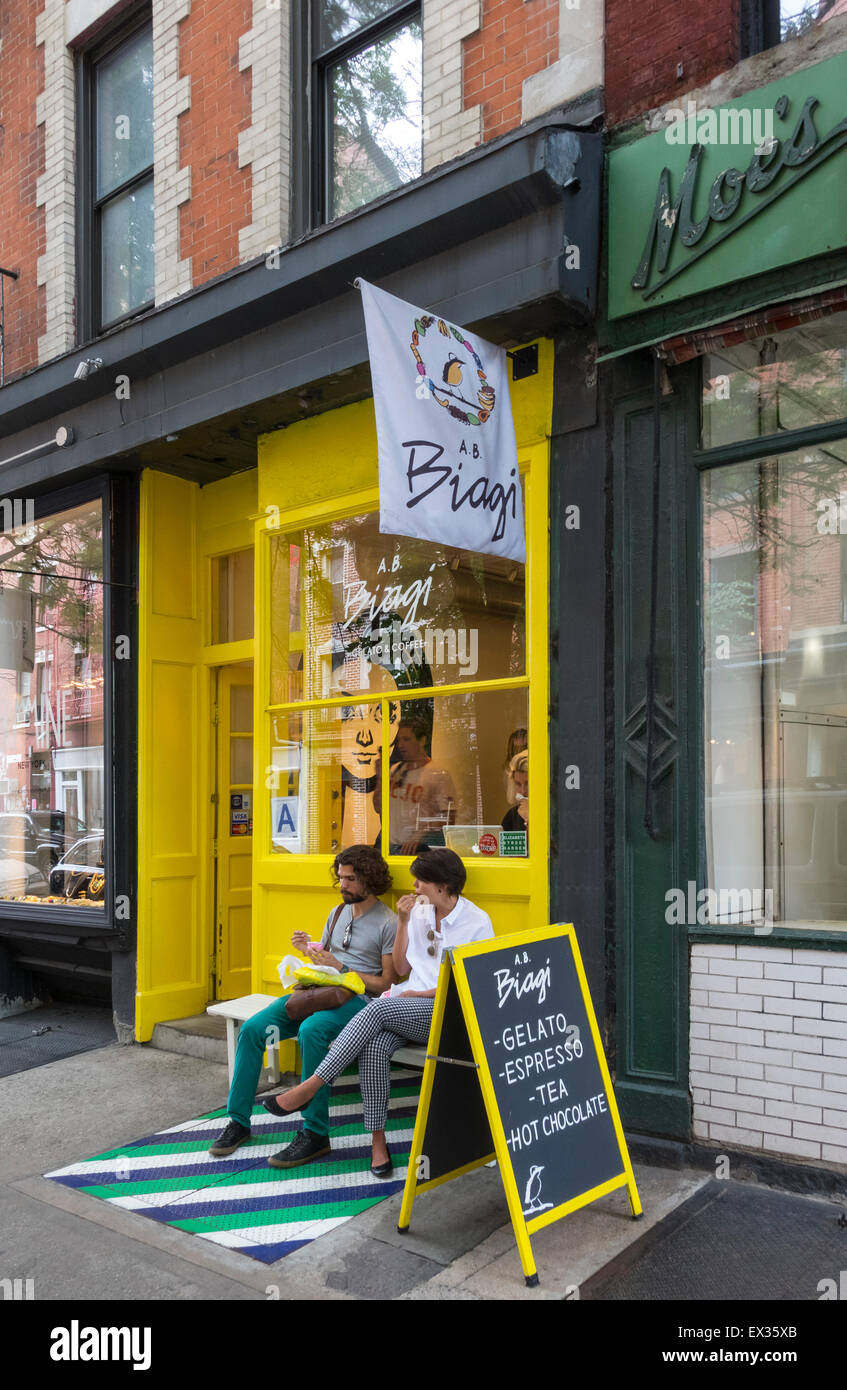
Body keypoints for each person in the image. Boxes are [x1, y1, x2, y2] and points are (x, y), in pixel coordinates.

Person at [262, 847, 494, 1176]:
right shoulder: (419, 913)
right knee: (374, 1046)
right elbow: (400, 968)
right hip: (407, 1005)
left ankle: (311, 1086)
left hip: (445, 1010)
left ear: (442, 885)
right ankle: (377, 1143)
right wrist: (403, 922)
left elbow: (468, 983)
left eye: (420, 881)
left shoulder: (476, 922)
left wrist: (419, 993)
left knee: (379, 1009)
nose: (414, 886)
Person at [208, 845, 397, 1168]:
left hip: (357, 1001)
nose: (343, 885)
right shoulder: (337, 913)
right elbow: (325, 964)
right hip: (318, 992)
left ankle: (315, 1132)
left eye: (350, 879)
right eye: (340, 878)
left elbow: (386, 984)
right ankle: (238, 1121)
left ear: (370, 879)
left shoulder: (388, 922)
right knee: (253, 1029)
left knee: (312, 1030)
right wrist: (308, 952)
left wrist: (341, 967)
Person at [389, 717, 456, 854]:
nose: (401, 745)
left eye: (407, 739)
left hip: (418, 848)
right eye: (399, 740)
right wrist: (379, 778)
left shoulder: (437, 773)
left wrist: (420, 836)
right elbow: (379, 808)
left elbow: (449, 816)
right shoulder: (395, 771)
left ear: (422, 740)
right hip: (390, 845)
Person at [501, 749, 528, 850]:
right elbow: (506, 852)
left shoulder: (553, 814)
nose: (523, 791)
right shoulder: (511, 816)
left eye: (528, 784)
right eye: (518, 784)